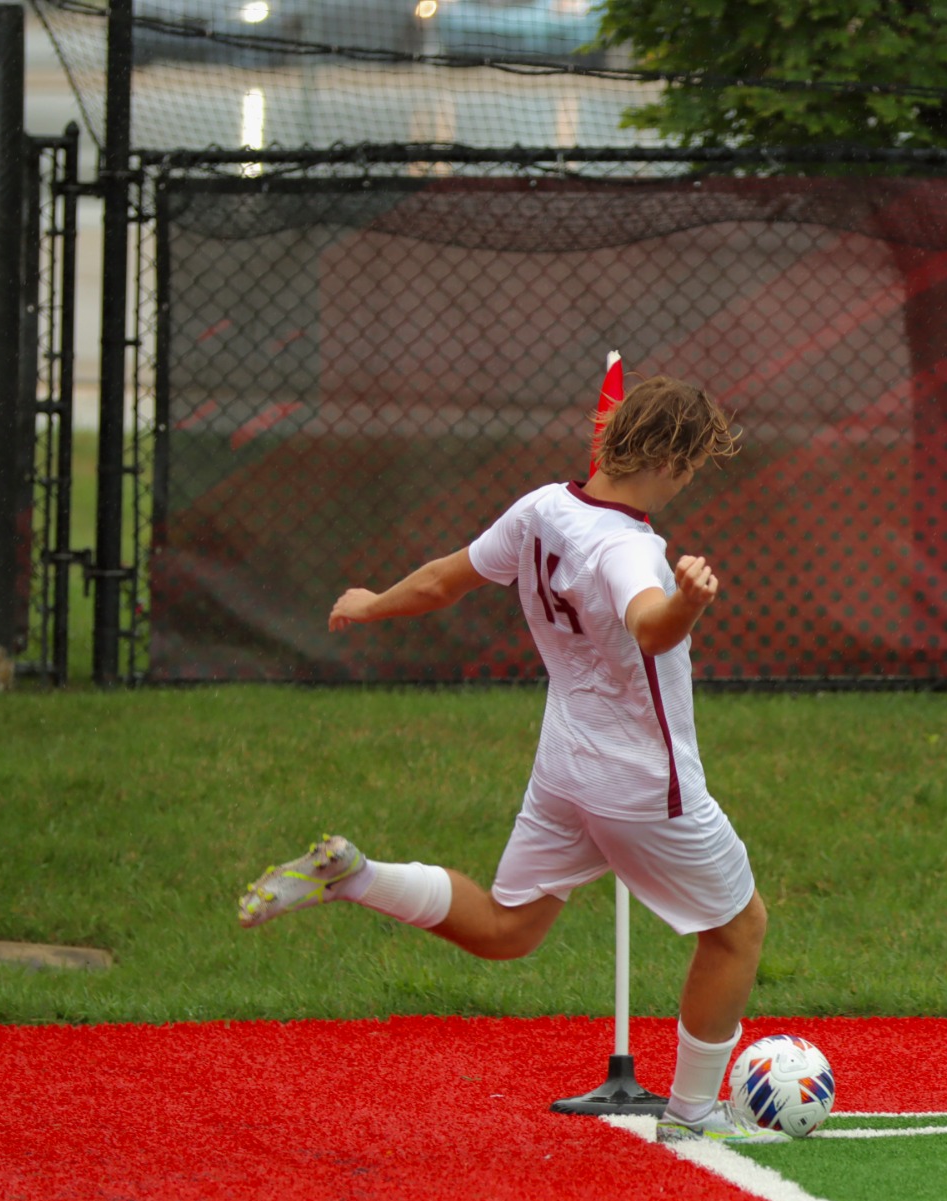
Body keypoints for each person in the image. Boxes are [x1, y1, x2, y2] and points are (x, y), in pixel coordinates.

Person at [236, 375, 786, 1144]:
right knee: (738, 928)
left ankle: (355, 875)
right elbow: (651, 628)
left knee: (507, 928)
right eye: (692, 466)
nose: (689, 481)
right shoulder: (630, 548)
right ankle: (693, 1116)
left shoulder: (541, 509)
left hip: (566, 769)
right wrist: (689, 598)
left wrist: (369, 603)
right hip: (641, 785)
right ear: (669, 460)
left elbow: (440, 581)